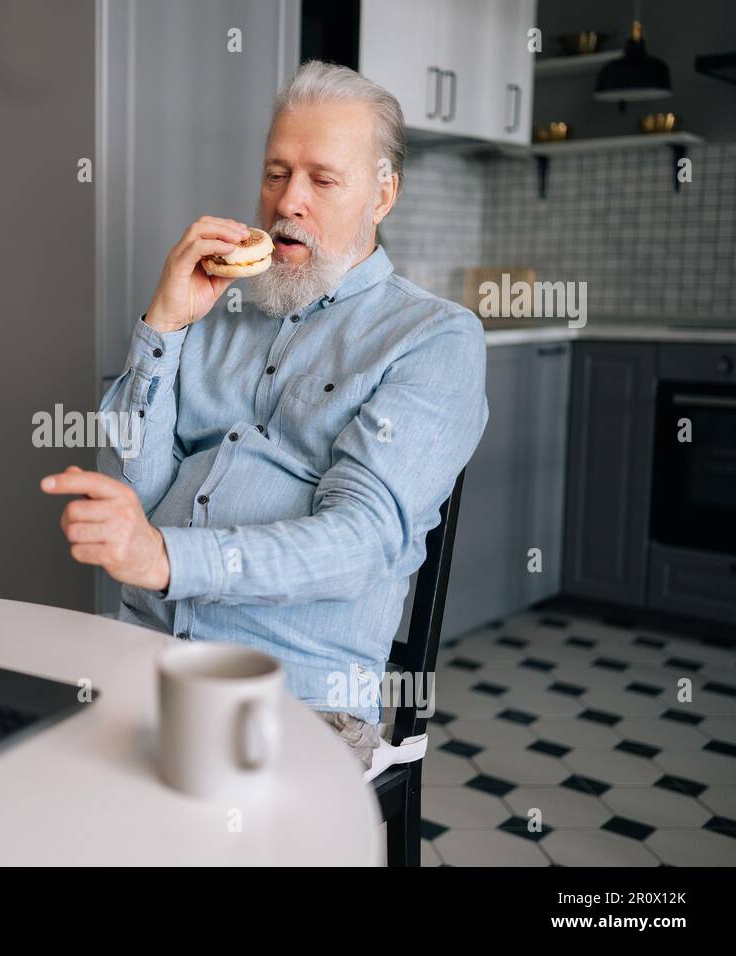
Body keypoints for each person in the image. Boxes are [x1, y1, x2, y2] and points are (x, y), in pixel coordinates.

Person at [41, 60, 488, 770]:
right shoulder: (216, 313)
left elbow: (360, 542)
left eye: (322, 179)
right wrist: (163, 327)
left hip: (298, 697)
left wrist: (166, 559)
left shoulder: (432, 339)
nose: (288, 201)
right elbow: (133, 493)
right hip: (140, 652)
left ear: (383, 194)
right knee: (9, 774)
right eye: (276, 173)